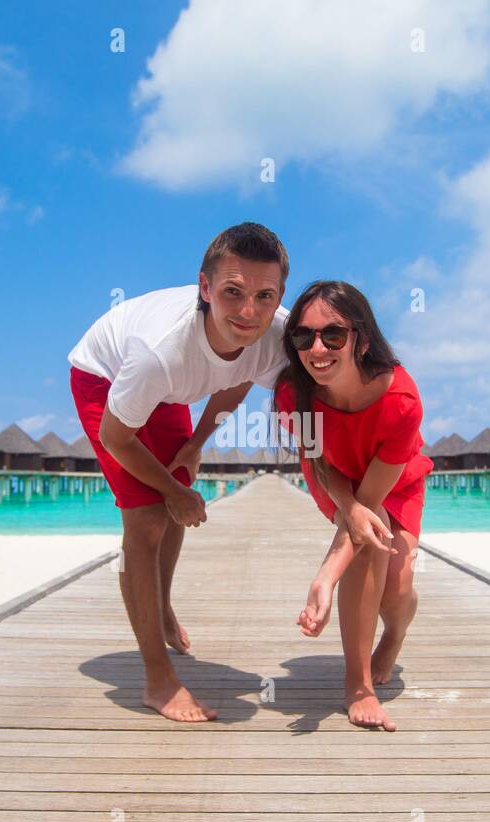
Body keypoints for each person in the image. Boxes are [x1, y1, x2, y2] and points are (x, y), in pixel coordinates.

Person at [68, 222, 291, 722]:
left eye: (264, 296)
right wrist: (170, 489)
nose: (249, 311)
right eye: (233, 293)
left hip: (168, 391)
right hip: (106, 379)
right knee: (148, 518)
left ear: (279, 296)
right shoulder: (160, 353)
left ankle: (161, 605)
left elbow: (243, 376)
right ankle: (157, 680)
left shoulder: (274, 331)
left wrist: (194, 447)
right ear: (205, 287)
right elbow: (116, 438)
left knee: (177, 492)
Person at [274, 281, 433, 732]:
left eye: (333, 335)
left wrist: (325, 577)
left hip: (394, 482)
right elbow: (323, 465)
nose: (317, 348)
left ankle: (395, 634)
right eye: (303, 337)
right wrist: (346, 504)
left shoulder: (401, 401)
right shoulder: (293, 394)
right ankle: (357, 684)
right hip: (335, 476)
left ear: (360, 338)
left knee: (397, 588)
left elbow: (373, 500)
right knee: (369, 531)